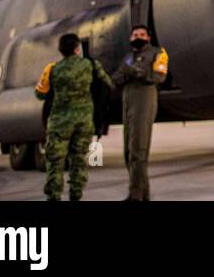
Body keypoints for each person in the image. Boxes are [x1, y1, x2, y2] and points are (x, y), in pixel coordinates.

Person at [34, 32, 112, 201]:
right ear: (78, 49)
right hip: (83, 121)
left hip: (59, 122)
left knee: (55, 162)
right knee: (78, 160)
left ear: (61, 50)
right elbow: (107, 84)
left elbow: (40, 94)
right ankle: (76, 195)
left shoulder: (52, 68)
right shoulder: (91, 65)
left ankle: (54, 196)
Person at [111, 24, 168, 201]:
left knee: (138, 151)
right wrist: (129, 73)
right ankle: (143, 194)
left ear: (148, 37)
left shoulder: (158, 53)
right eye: (135, 34)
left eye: (142, 34)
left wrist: (136, 72)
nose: (138, 37)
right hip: (128, 104)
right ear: (130, 38)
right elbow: (116, 78)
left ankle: (135, 194)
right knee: (129, 153)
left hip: (144, 102)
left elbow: (158, 77)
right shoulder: (128, 57)